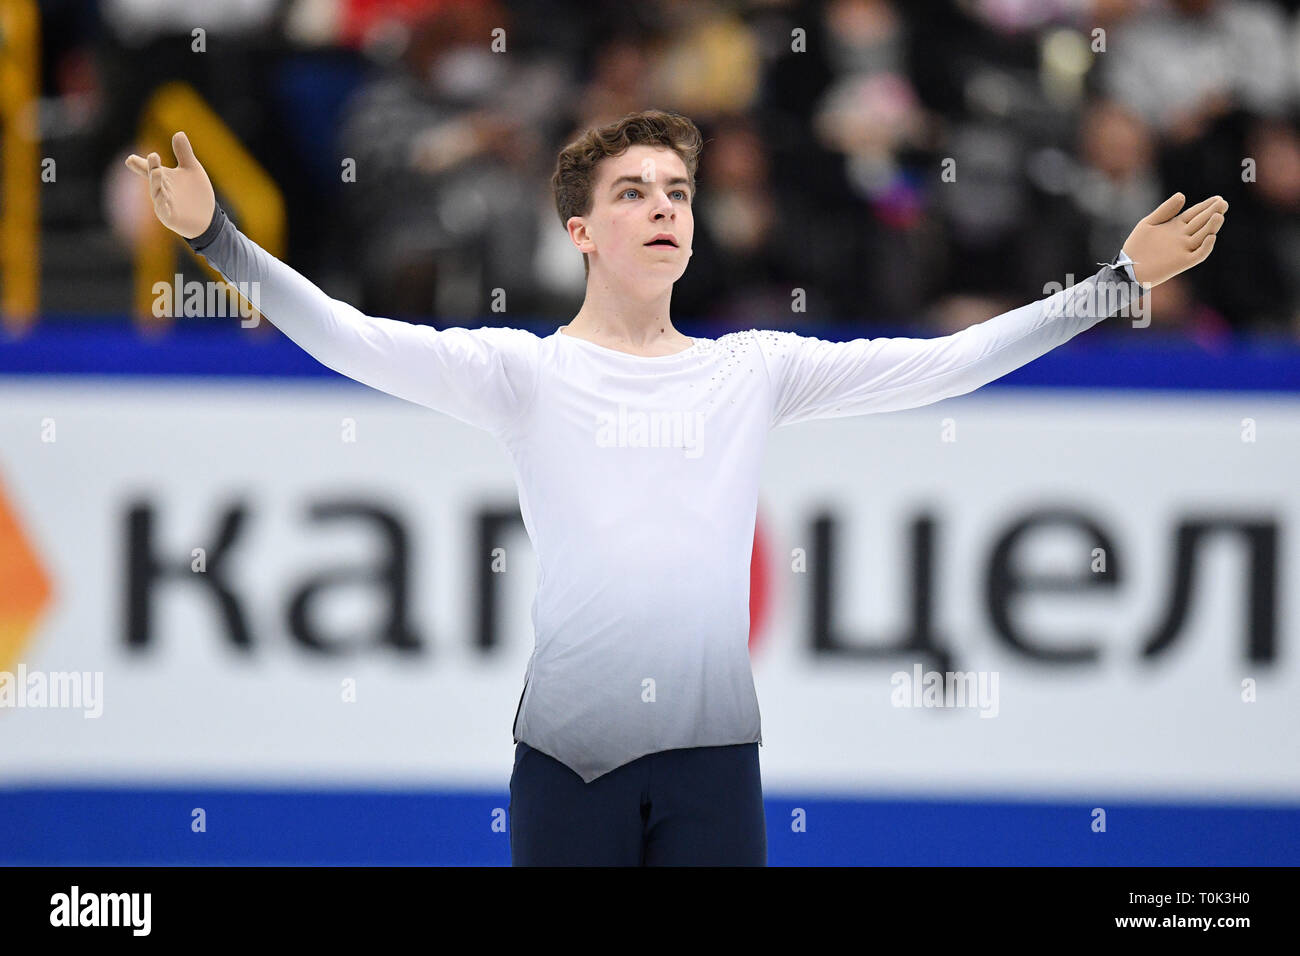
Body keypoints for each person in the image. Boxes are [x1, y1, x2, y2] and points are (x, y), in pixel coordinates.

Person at [125, 109, 1226, 866]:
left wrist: (1114, 284)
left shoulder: (750, 370)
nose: (664, 207)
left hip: (712, 756)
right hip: (568, 756)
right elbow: (351, 338)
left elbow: (944, 363)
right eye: (634, 192)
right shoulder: (526, 372)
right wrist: (217, 236)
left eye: (679, 192)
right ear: (580, 231)